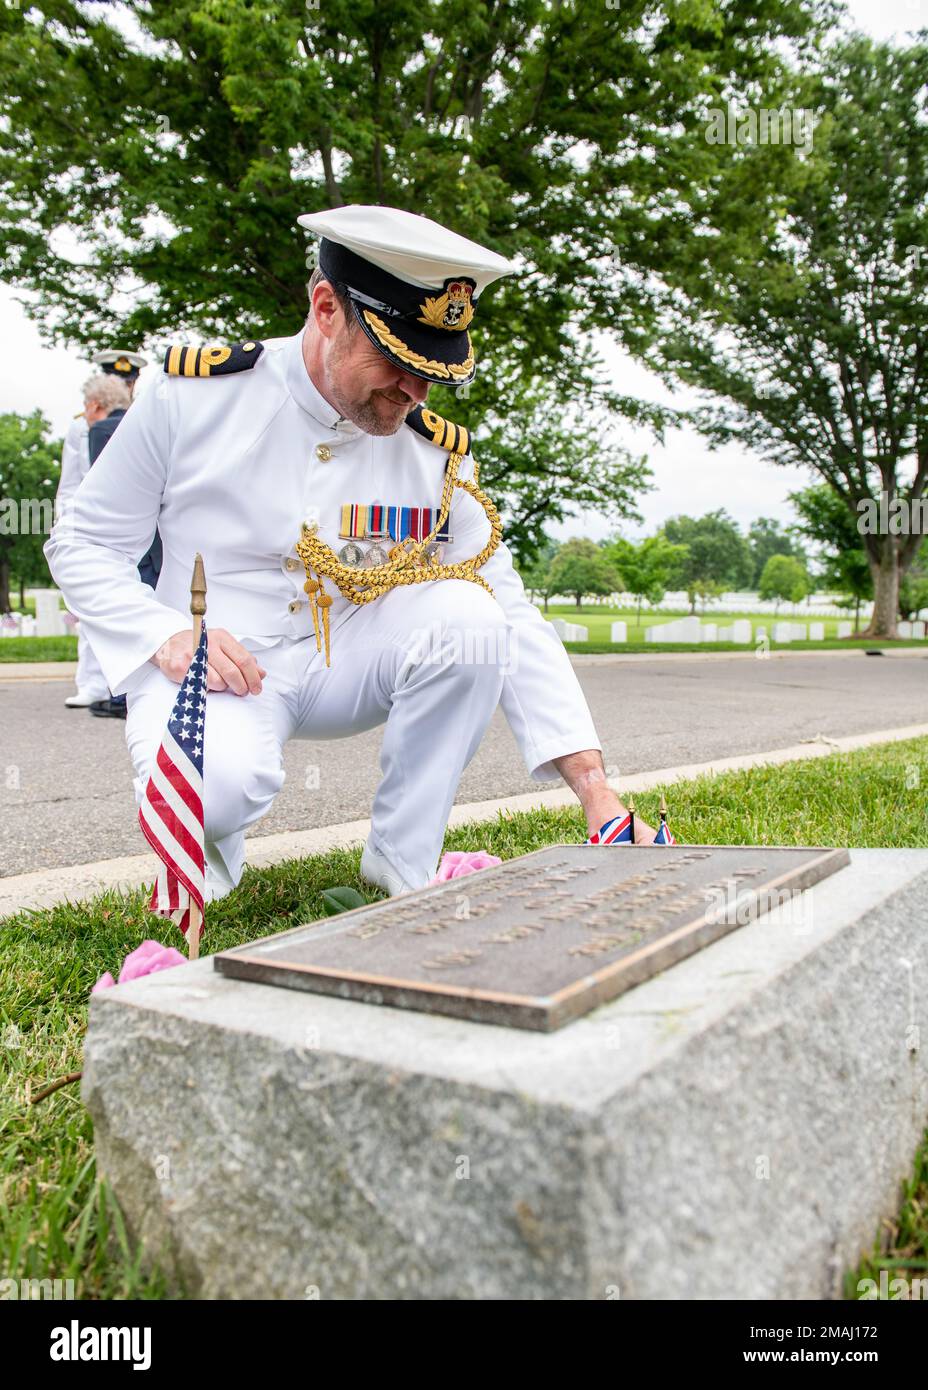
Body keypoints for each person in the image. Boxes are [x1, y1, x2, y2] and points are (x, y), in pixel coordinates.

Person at [44, 205, 653, 902]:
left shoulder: (433, 452)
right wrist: (164, 636)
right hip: (219, 665)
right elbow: (84, 541)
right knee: (210, 791)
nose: (415, 393)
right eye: (397, 361)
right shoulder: (194, 397)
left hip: (345, 661)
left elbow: (508, 608)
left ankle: (402, 864)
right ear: (326, 307)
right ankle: (213, 836)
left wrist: (596, 793)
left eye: (435, 371)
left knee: (474, 621)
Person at [57, 372, 132, 707]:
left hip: (119, 524)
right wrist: (65, 522)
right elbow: (71, 480)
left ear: (94, 404)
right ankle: (93, 682)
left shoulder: (131, 422)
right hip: (89, 521)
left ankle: (120, 686)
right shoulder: (80, 429)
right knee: (91, 603)